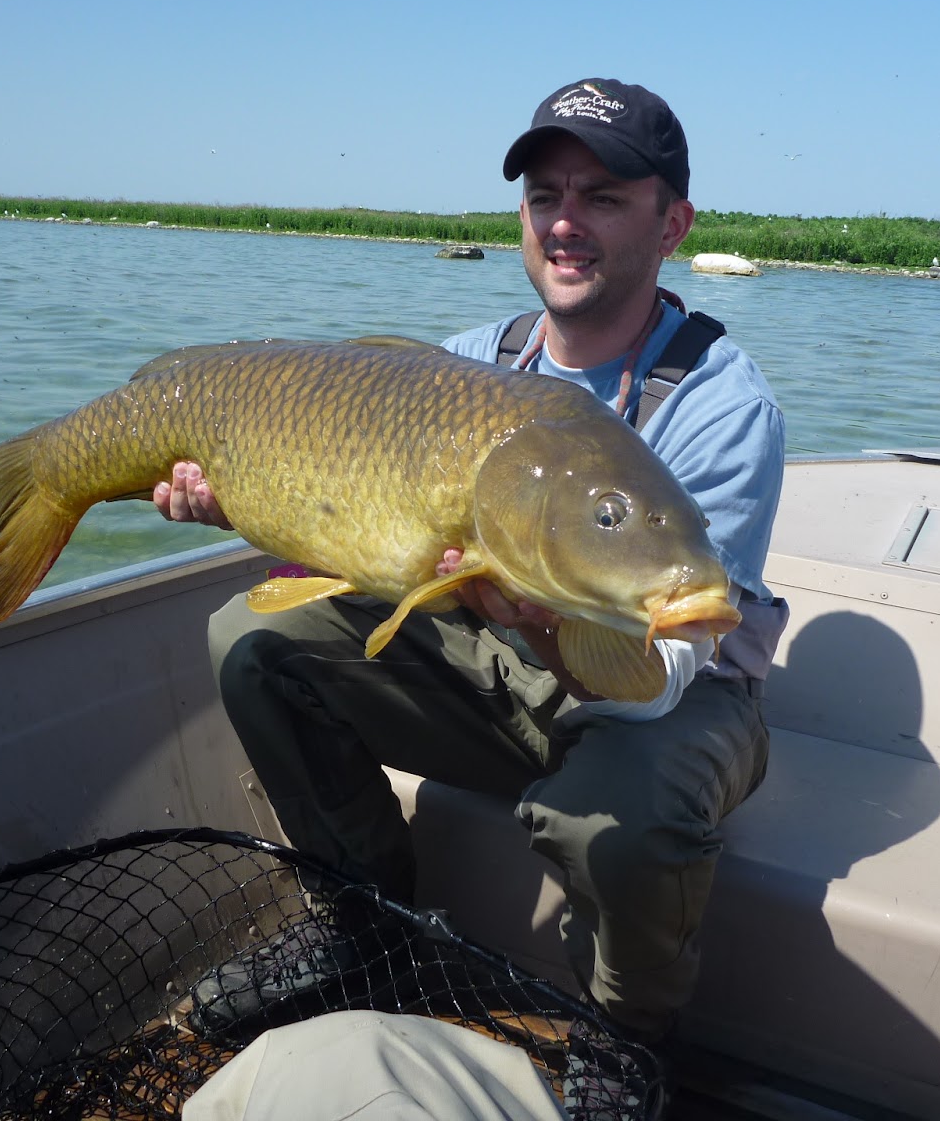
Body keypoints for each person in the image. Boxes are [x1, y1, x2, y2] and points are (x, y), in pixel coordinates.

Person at [155, 77, 787, 1108]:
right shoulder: (469, 365)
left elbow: (670, 668)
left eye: (603, 196)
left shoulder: (720, 401)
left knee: (622, 809)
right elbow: (372, 550)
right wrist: (254, 503)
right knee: (253, 640)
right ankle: (361, 921)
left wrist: (538, 617)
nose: (565, 223)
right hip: (490, 649)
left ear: (673, 223)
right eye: (545, 196)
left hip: (670, 689)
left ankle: (624, 1036)